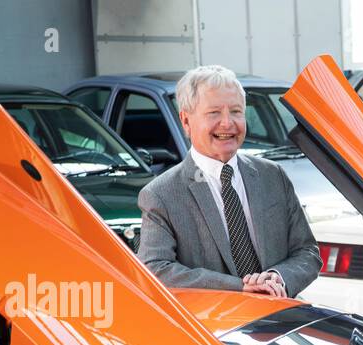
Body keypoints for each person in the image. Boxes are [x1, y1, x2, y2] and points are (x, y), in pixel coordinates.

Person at [137, 65, 320, 298]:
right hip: (214, 326)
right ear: (186, 121)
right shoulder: (160, 194)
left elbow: (307, 251)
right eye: (214, 113)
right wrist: (240, 287)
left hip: (279, 316)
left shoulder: (273, 176)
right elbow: (155, 268)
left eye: (235, 111)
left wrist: (278, 277)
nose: (227, 123)